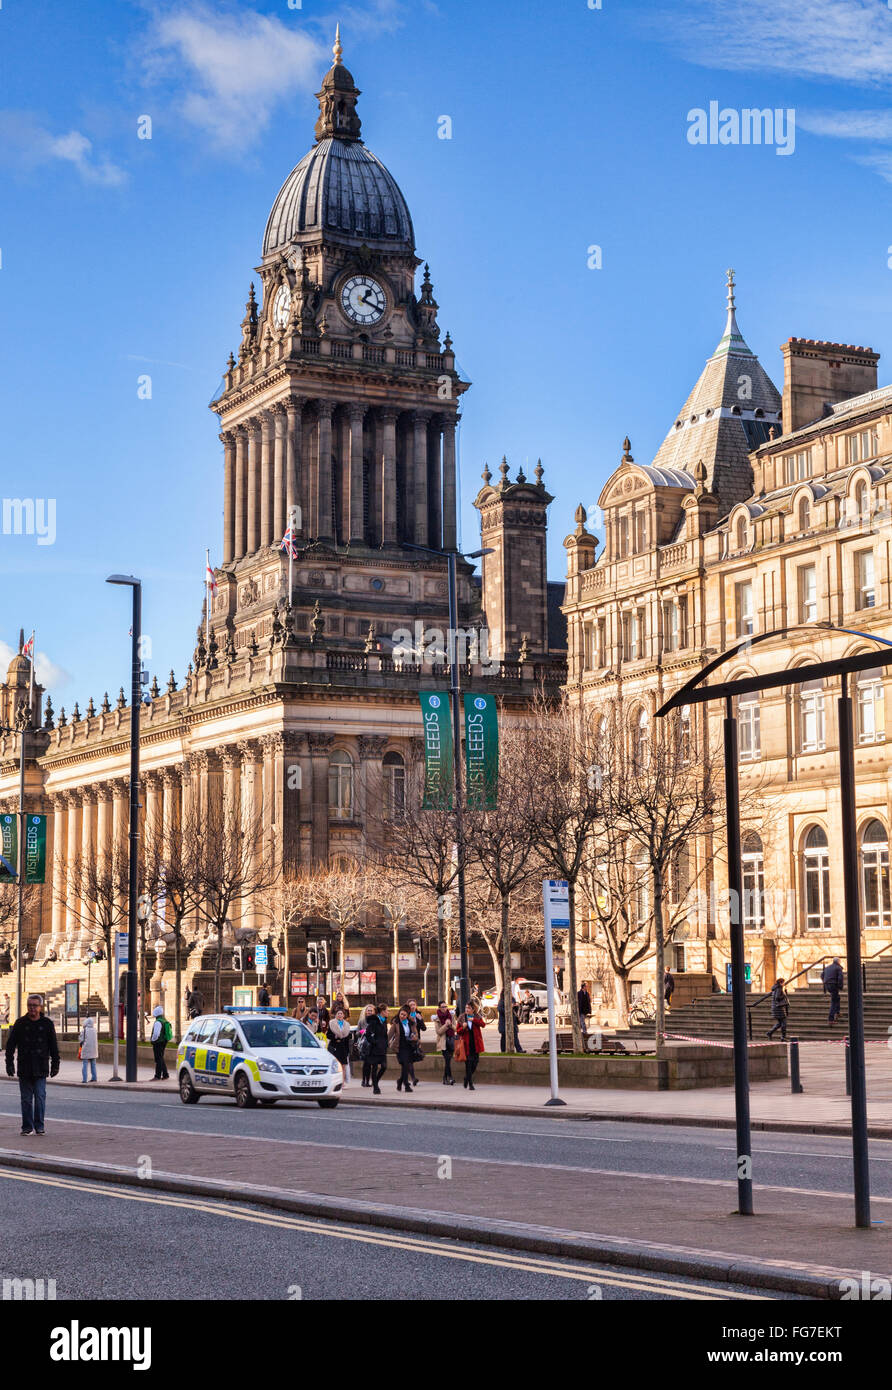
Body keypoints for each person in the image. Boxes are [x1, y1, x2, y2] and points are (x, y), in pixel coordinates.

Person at [5, 993, 60, 1135]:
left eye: (35, 1006)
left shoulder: (47, 1024)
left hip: (40, 1067)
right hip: (24, 1067)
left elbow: (53, 1046)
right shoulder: (20, 1023)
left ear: (40, 1007)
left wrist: (55, 1064)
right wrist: (9, 1064)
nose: (32, 1008)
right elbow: (10, 1045)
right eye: (29, 1005)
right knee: (26, 1100)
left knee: (40, 1098)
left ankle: (39, 1126)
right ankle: (27, 1127)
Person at [456, 1000, 485, 1090]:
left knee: (475, 1063)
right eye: (466, 1008)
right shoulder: (461, 1017)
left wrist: (474, 1020)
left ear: (473, 1009)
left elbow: (483, 1024)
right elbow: (458, 1031)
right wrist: (463, 1027)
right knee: (468, 1064)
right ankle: (470, 1084)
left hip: (475, 1044)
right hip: (466, 1045)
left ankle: (466, 1078)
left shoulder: (477, 1016)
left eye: (468, 1008)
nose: (466, 1009)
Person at [389, 1007, 418, 1093]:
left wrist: (415, 1037)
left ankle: (400, 1081)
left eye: (404, 1015)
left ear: (408, 1015)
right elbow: (390, 1034)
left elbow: (415, 1033)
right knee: (405, 1064)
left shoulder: (411, 1023)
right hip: (400, 1047)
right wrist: (384, 1044)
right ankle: (406, 1085)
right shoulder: (396, 1022)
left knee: (406, 1066)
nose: (402, 1016)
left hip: (409, 1046)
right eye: (401, 1014)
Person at [365, 1003, 389, 1094]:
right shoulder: (374, 1021)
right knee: (374, 1068)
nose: (388, 1012)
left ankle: (375, 1082)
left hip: (382, 1048)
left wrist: (386, 1043)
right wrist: (375, 1042)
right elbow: (368, 1034)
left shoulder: (384, 1021)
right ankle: (375, 1087)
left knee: (384, 1067)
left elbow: (385, 1034)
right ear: (382, 1011)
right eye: (387, 1011)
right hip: (374, 1049)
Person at [327, 1007, 352, 1082]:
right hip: (334, 1046)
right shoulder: (332, 1023)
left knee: (343, 1065)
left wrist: (348, 1050)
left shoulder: (347, 1025)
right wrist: (335, 1036)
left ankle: (343, 1082)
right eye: (338, 1013)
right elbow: (328, 1035)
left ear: (343, 1015)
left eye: (341, 1013)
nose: (340, 1015)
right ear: (335, 1015)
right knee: (336, 1065)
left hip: (343, 1047)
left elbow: (347, 1038)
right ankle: (335, 1081)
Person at [404, 999, 426, 1084]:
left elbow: (424, 1028)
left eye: (414, 1005)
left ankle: (408, 1077)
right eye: (411, 1005)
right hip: (407, 1040)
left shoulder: (418, 1014)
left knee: (411, 1060)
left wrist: (420, 1020)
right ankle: (413, 1078)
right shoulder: (405, 1015)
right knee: (409, 1060)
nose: (412, 1006)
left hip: (415, 1041)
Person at [434, 1000, 455, 1084]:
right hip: (443, 1042)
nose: (444, 1008)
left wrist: (450, 1025)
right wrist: (446, 1026)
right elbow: (438, 1032)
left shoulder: (451, 1015)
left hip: (451, 1039)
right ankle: (450, 1077)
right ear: (439, 1008)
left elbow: (456, 1028)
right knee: (447, 1059)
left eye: (445, 1006)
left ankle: (444, 1078)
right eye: (442, 1007)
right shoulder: (436, 1018)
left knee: (448, 1060)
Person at [355, 1004, 376, 1086]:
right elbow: (357, 1033)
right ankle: (364, 1080)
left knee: (371, 1064)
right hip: (364, 1045)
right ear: (365, 1012)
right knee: (366, 1064)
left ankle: (368, 1081)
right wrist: (361, 1032)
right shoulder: (362, 1021)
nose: (369, 1012)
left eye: (371, 1011)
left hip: (372, 1044)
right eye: (368, 1010)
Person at [150, 1005, 171, 1080]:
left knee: (158, 1059)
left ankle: (157, 1076)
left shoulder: (158, 1022)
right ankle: (165, 1074)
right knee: (161, 1058)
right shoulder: (164, 1020)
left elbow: (156, 1034)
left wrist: (153, 1040)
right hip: (164, 1041)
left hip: (158, 1042)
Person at [822, 957, 845, 1025]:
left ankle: (837, 1012)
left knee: (837, 998)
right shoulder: (838, 968)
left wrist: (825, 981)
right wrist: (840, 986)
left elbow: (822, 975)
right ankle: (831, 1019)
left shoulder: (828, 967)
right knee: (834, 1001)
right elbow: (840, 978)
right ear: (838, 962)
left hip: (827, 984)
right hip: (833, 985)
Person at [78, 1015, 99, 1084]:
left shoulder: (84, 1030)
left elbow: (81, 1040)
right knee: (93, 1064)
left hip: (86, 1049)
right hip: (94, 1050)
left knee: (85, 1064)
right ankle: (94, 1078)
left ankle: (84, 1079)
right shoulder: (94, 1030)